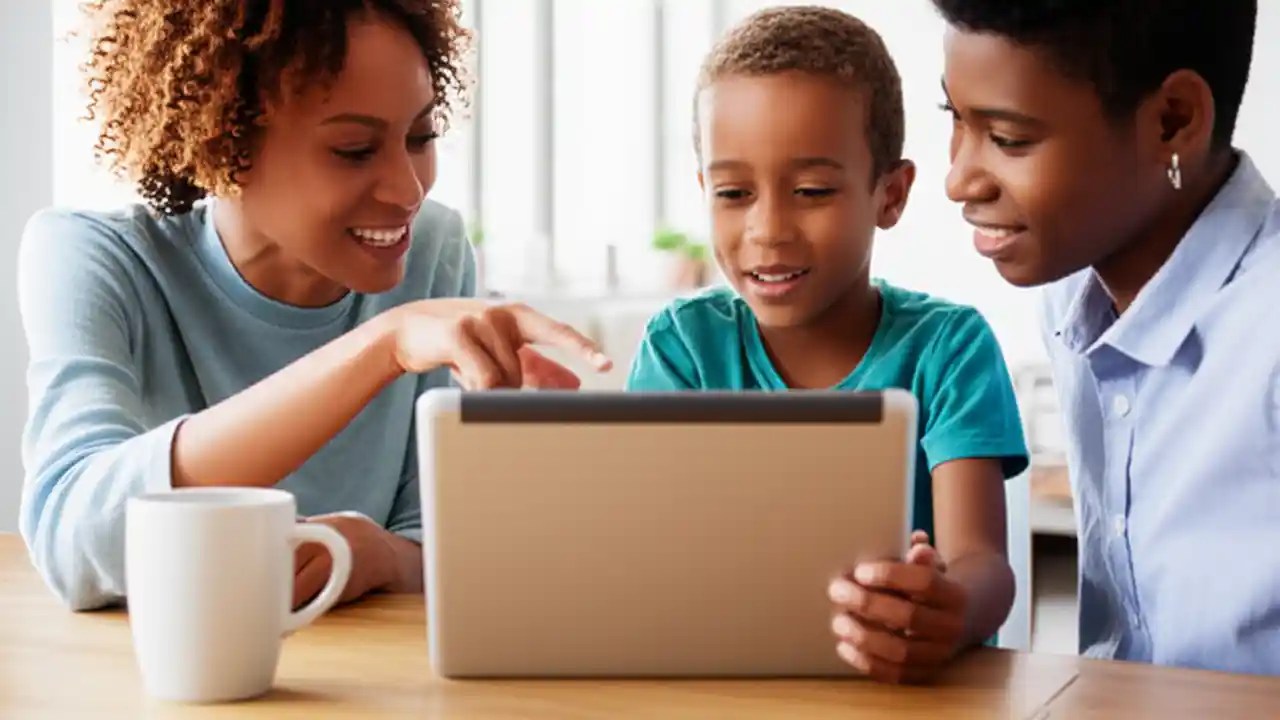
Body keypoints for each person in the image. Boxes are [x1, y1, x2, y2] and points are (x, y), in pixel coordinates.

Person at [18, 0, 610, 613]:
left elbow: (435, 541)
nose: (408, 189)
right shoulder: (95, 255)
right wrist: (381, 347)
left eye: (420, 137)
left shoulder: (432, 251)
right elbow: (73, 543)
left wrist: (376, 555)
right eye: (355, 149)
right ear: (226, 144)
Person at [625, 7, 1028, 684]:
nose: (767, 230)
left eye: (811, 190)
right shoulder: (682, 346)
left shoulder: (948, 348)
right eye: (733, 192)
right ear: (704, 193)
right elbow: (648, 552)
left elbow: (983, 564)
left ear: (890, 195)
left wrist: (948, 609)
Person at [934, 0, 1278, 674]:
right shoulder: (1072, 293)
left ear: (1173, 121)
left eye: (1008, 139)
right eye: (956, 120)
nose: (958, 180)